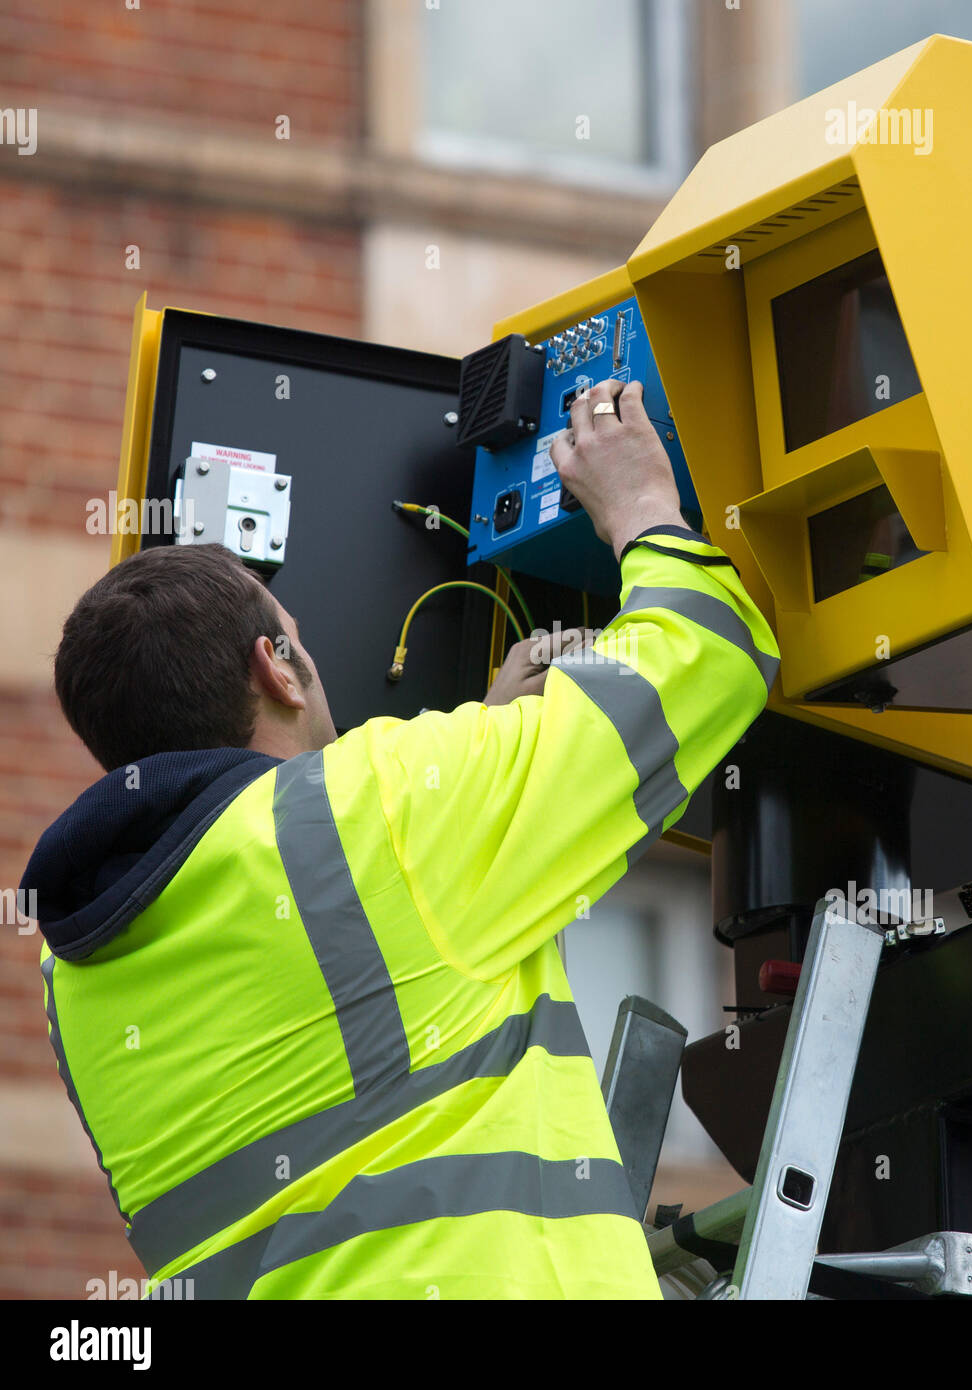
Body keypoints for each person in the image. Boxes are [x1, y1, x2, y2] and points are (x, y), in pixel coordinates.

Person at [21, 378, 779, 1299]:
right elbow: (710, 655)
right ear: (279, 667)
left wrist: (492, 739)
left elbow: (367, 1054)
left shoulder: (80, 988)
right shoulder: (371, 810)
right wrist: (644, 505)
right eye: (299, 639)